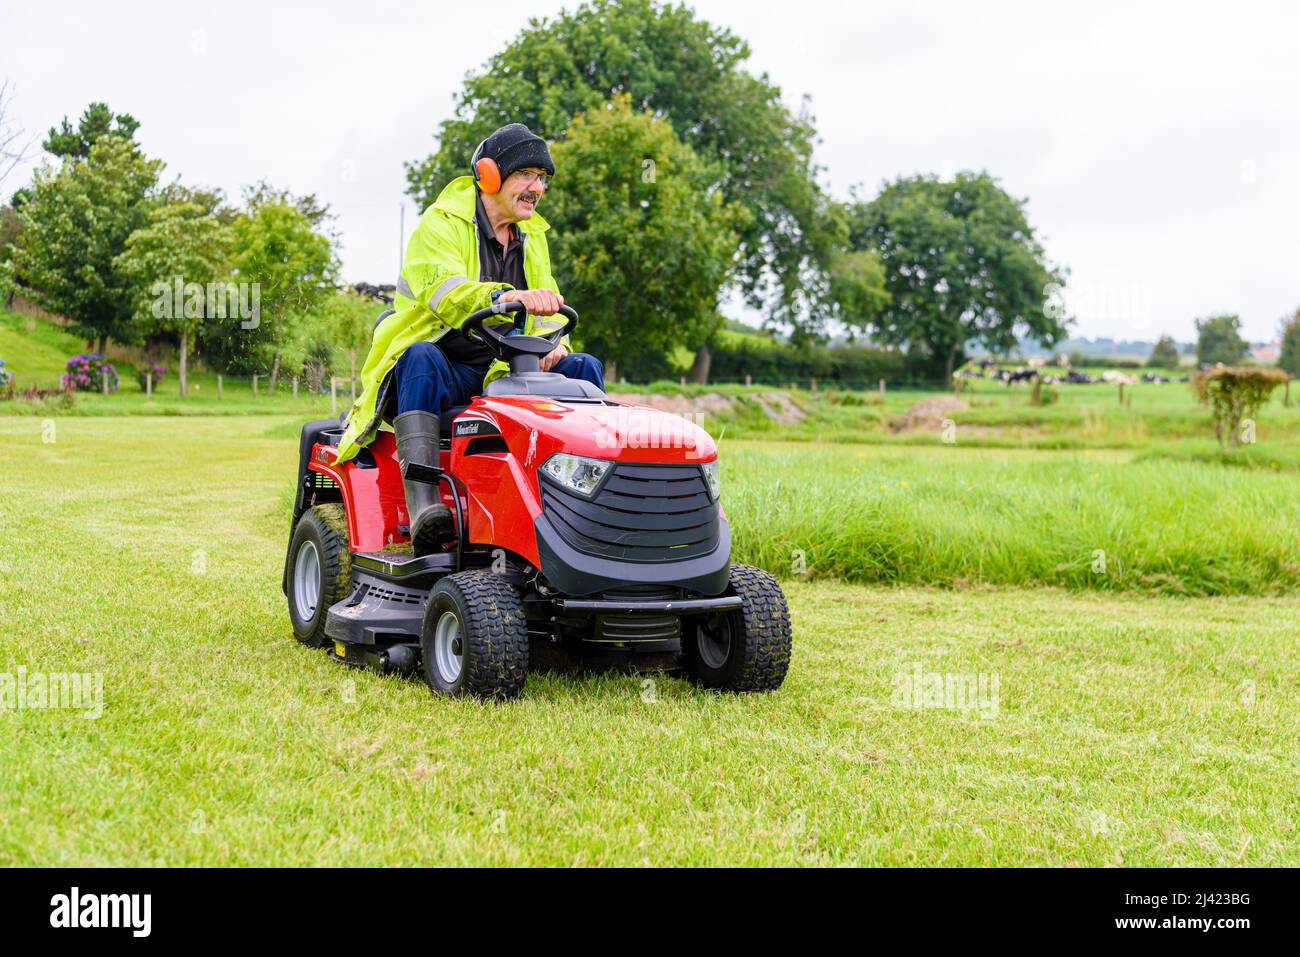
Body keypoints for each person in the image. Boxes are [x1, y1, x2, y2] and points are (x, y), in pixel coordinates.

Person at [333, 123, 604, 552]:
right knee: (419, 355)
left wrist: (558, 346)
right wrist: (506, 295)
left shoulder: (532, 236)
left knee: (584, 367)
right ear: (490, 175)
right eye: (528, 175)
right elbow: (447, 292)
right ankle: (424, 505)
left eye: (544, 179)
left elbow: (546, 308)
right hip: (443, 369)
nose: (538, 188)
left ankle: (586, 505)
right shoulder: (439, 226)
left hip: (505, 370)